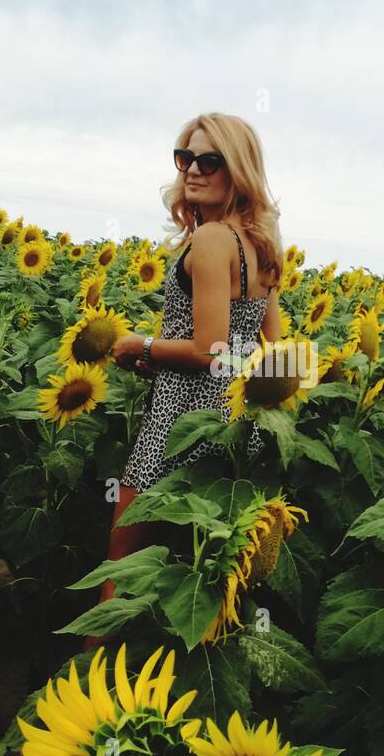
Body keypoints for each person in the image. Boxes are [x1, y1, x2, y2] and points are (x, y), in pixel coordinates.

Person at [86, 113, 285, 642]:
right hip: (234, 424)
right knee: (200, 574)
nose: (193, 170)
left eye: (210, 160)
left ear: (237, 169)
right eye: (185, 157)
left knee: (122, 571)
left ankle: (82, 683)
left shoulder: (214, 240)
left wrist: (139, 346)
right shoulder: (263, 246)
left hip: (179, 421)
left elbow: (207, 349)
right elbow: (270, 348)